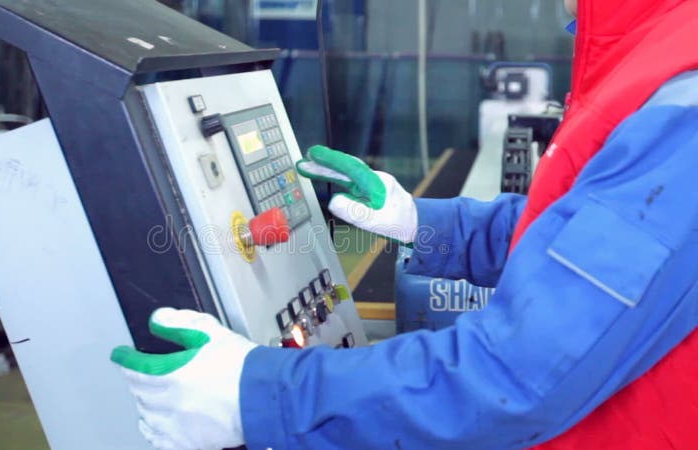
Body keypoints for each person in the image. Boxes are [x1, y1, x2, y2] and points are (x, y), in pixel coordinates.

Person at [110, 0, 698, 448]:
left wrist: (257, 395)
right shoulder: (650, 51)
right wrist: (419, 221)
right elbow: (571, 235)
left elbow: (521, 374)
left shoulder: (682, 93)